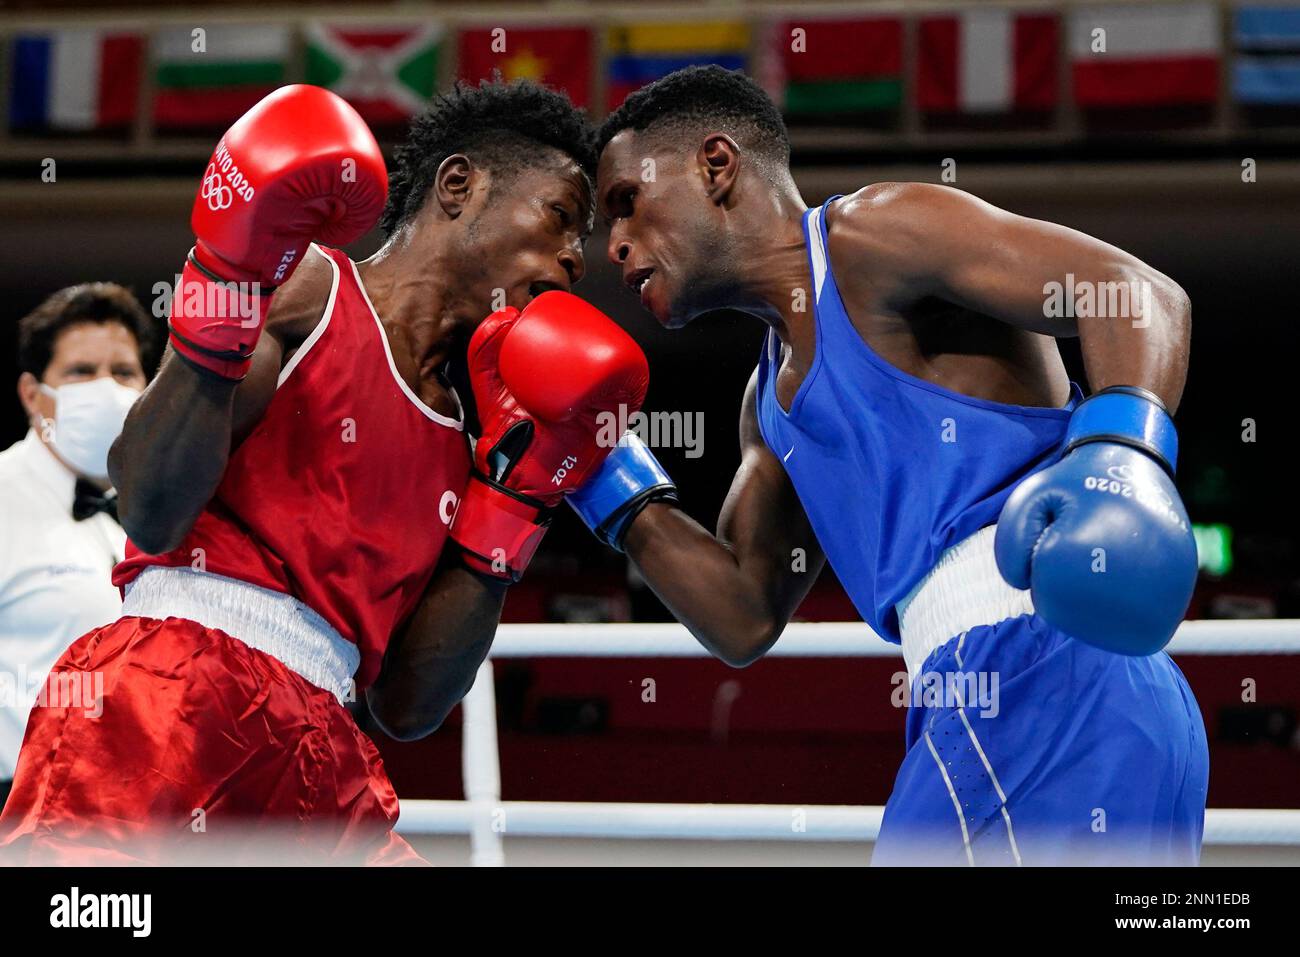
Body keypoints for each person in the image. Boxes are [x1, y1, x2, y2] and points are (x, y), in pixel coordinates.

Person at [568, 66, 1208, 865]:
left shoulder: (877, 234)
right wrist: (597, 467)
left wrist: (1121, 455)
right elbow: (742, 610)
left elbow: (1131, 291)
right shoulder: (766, 401)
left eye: (626, 201)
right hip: (1007, 696)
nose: (615, 243)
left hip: (1045, 672)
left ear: (717, 165)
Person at [0, 81, 648, 865]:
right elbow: (148, 506)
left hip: (324, 751)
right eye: (559, 218)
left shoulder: (470, 437)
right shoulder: (312, 288)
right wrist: (223, 287)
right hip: (171, 693)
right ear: (459, 185)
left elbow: (408, 705)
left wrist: (517, 500)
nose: (576, 259)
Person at [0, 283, 158, 813]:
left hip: (129, 814)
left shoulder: (159, 518)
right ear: (31, 394)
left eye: (123, 372)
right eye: (80, 372)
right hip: (16, 806)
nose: (106, 388)